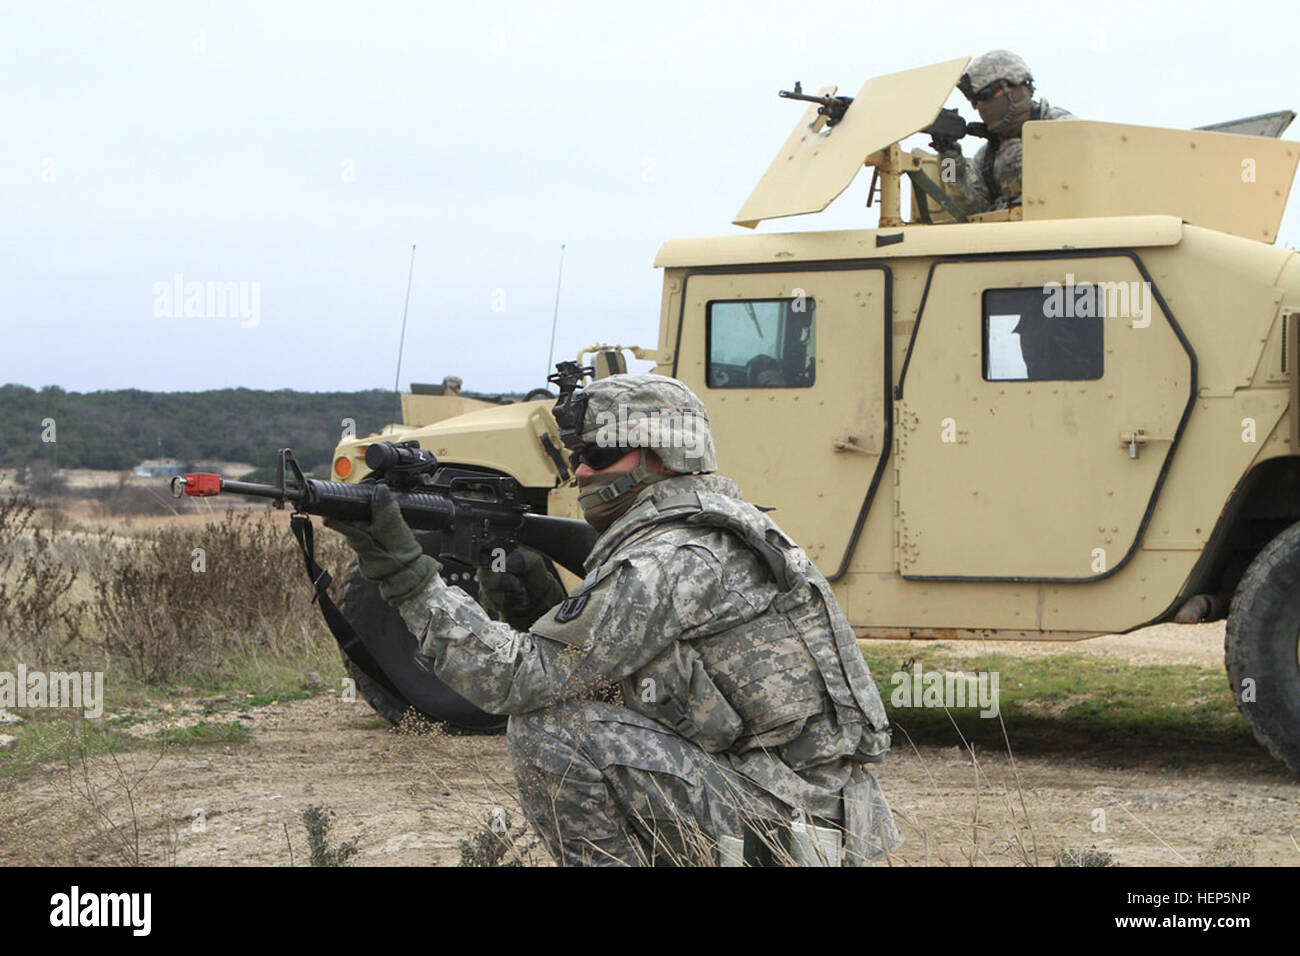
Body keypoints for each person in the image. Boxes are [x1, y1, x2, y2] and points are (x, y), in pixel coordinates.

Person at [326, 373, 901, 866]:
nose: (580, 472)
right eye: (578, 456)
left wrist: (406, 573)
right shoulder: (709, 528)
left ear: (659, 456)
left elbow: (512, 684)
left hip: (792, 820)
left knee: (550, 733)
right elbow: (624, 685)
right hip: (805, 807)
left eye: (599, 456)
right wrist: (534, 608)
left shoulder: (670, 557)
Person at [934, 50, 1075, 213]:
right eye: (975, 101)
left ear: (1014, 87)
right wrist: (948, 160)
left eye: (985, 95)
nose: (980, 105)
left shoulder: (1065, 130)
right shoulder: (987, 156)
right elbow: (969, 208)